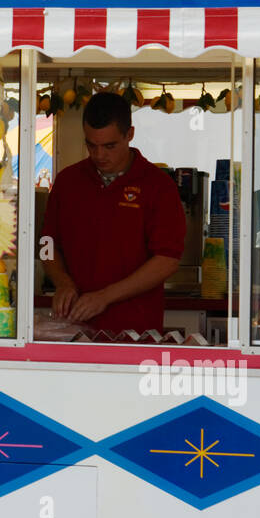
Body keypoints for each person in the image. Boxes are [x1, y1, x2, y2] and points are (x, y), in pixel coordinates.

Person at [40, 92, 186, 338]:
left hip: (136, 332)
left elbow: (167, 260)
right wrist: (62, 282)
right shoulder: (68, 181)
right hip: (72, 331)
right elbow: (47, 244)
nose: (99, 155)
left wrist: (105, 297)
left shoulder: (158, 186)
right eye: (91, 145)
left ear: (129, 134)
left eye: (109, 146)